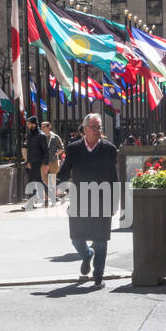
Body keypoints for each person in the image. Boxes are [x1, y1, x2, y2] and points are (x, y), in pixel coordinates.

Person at [56, 113, 119, 287]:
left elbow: (114, 177)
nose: (98, 130)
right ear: (85, 130)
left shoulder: (109, 149)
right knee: (76, 238)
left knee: (100, 240)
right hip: (79, 198)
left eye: (99, 127)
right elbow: (65, 171)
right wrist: (59, 186)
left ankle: (98, 276)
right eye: (94, 127)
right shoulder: (73, 148)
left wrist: (114, 202)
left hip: (103, 198)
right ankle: (86, 255)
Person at [24, 116, 48, 207]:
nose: (28, 126)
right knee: (38, 181)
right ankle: (53, 192)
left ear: (34, 124)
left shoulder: (41, 136)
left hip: (38, 162)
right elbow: (29, 150)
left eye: (29, 124)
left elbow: (45, 150)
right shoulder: (29, 135)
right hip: (31, 162)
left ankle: (31, 202)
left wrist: (46, 163)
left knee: (32, 181)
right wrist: (28, 161)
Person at [43, 121, 65, 204]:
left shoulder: (55, 137)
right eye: (41, 127)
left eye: (43, 126)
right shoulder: (41, 137)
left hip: (53, 161)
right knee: (44, 180)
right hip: (43, 162)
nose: (41, 128)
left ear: (48, 127)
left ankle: (52, 198)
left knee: (51, 180)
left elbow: (61, 148)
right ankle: (46, 199)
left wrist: (55, 154)